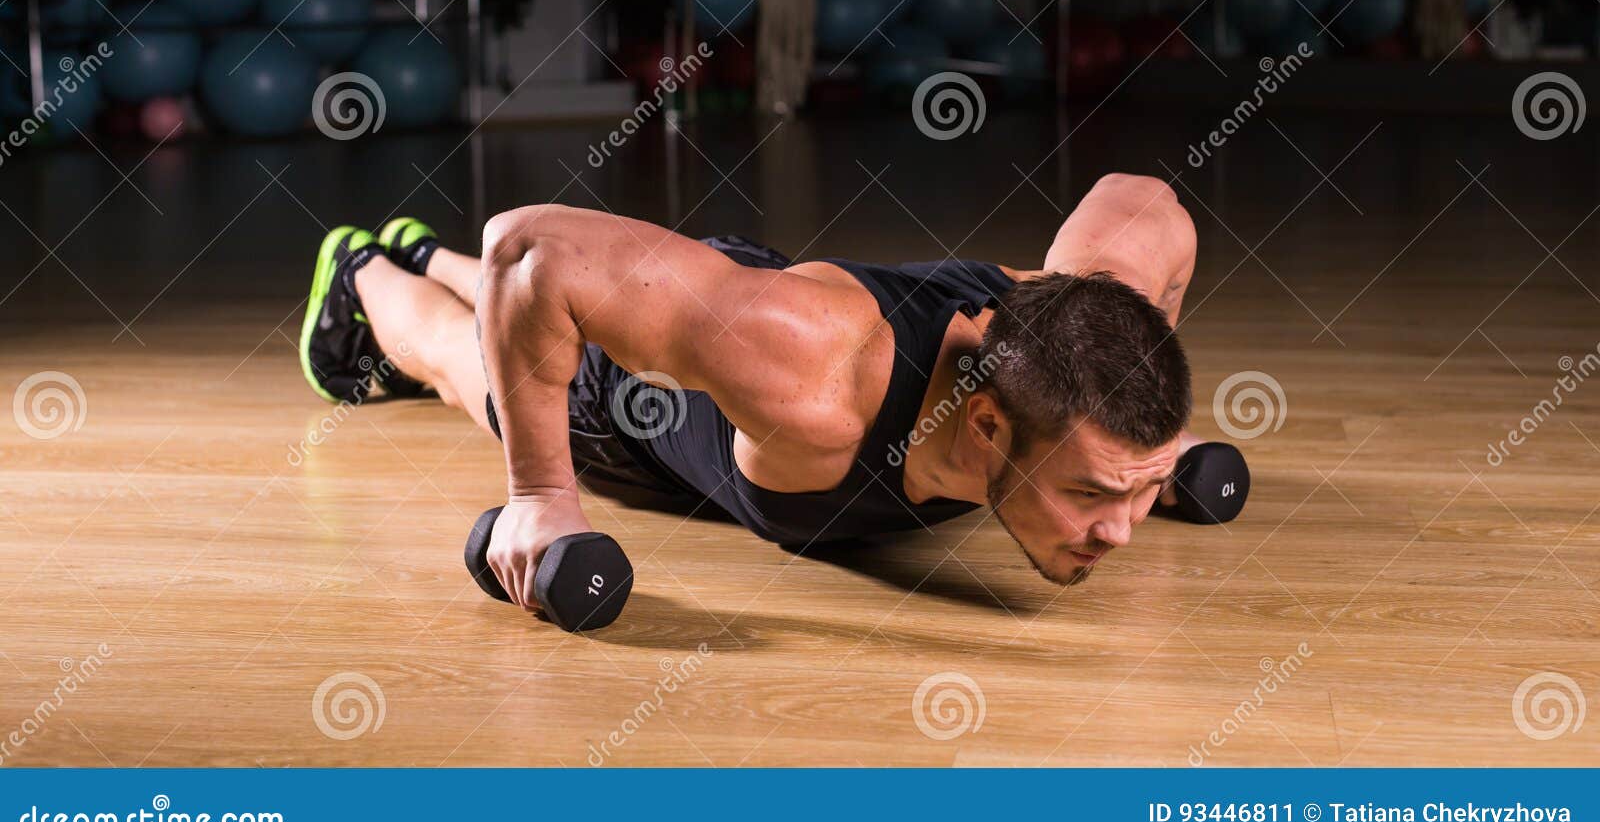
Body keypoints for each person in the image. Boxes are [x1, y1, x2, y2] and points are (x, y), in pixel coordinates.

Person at [300, 172, 1209, 614]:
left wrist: (1130, 455)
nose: (1121, 532)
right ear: (985, 422)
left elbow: (1146, 198)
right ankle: (364, 271)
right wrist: (539, 495)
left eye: (1130, 492)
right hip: (634, 399)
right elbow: (531, 250)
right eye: (1091, 492)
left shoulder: (1083, 313)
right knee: (455, 357)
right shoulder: (823, 382)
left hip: (742, 306)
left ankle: (426, 249)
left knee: (538, 297)